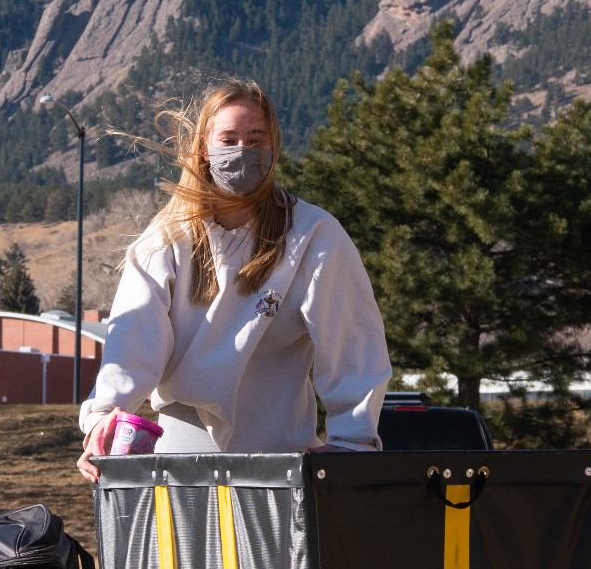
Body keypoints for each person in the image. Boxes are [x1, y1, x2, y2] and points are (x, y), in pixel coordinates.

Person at [76, 79, 391, 479]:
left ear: (274, 146)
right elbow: (132, 340)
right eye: (229, 139)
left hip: (282, 466)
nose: (243, 150)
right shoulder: (166, 240)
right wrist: (102, 420)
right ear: (204, 147)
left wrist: (352, 442)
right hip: (182, 463)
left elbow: (354, 343)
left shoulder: (314, 235)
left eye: (256, 139)